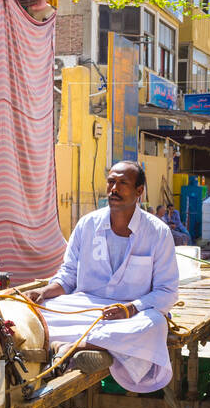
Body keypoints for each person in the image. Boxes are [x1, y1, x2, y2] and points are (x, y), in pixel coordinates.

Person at [27, 160, 179, 390]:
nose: (114, 189)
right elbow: (68, 276)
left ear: (139, 191)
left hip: (131, 315)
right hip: (83, 309)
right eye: (111, 182)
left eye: (122, 183)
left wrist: (131, 308)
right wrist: (44, 291)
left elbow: (167, 292)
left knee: (155, 324)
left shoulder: (158, 232)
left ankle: (76, 347)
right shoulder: (87, 224)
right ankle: (92, 345)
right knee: (35, 314)